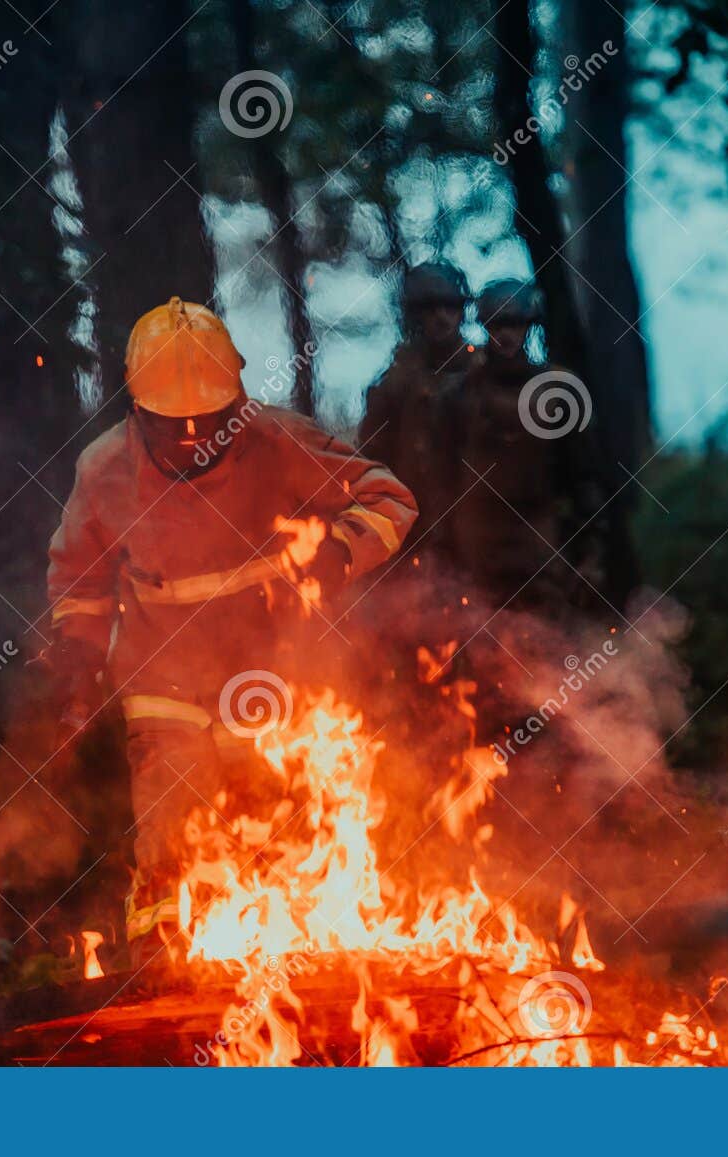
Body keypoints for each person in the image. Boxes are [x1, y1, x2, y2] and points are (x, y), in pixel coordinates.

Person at [44, 297, 416, 945]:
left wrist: (339, 550)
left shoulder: (277, 441)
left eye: (209, 419)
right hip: (164, 680)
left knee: (285, 835)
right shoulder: (104, 471)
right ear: (138, 410)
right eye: (173, 425)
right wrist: (76, 652)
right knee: (169, 844)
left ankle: (297, 978)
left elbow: (389, 497)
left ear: (236, 402)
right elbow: (80, 578)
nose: (194, 437)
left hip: (274, 672)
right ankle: (163, 978)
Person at [446, 278, 607, 612]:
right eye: (498, 324)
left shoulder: (558, 391)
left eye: (515, 324)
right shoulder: (459, 395)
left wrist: (591, 551)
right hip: (476, 539)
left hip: (540, 537)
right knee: (476, 642)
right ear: (485, 327)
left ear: (529, 327)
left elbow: (584, 477)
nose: (506, 335)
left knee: (546, 643)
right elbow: (440, 476)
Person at [357, 261, 473, 556]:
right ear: (415, 316)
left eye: (450, 307)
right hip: (420, 533)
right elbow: (373, 459)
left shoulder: (486, 375)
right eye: (430, 309)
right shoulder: (395, 386)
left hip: (483, 528)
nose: (442, 318)